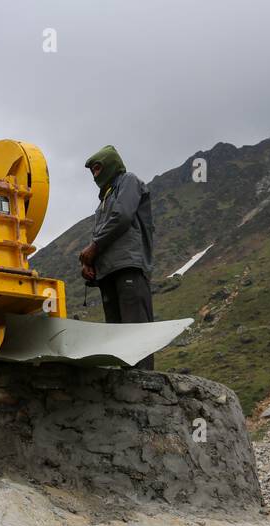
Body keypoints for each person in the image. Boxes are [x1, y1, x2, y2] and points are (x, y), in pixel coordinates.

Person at [78, 145, 156, 371]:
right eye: (92, 171)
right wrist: (89, 262)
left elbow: (122, 216)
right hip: (107, 273)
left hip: (128, 266)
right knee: (117, 332)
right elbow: (103, 233)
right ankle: (125, 379)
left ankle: (143, 381)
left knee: (135, 327)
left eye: (98, 168)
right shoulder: (103, 200)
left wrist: (95, 246)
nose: (95, 174)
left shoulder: (128, 181)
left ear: (111, 164)